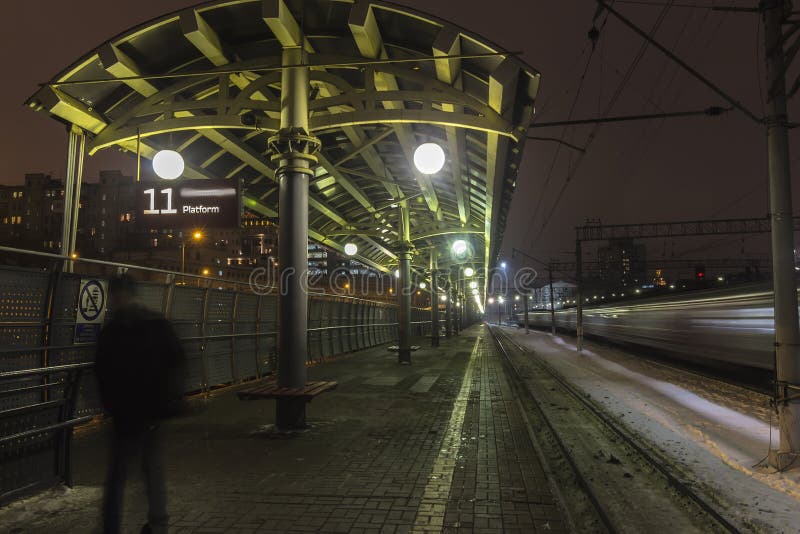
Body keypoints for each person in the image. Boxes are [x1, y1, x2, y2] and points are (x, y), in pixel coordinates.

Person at [95, 274, 185, 534]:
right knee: (152, 472)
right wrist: (171, 397)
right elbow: (177, 359)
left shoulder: (112, 329)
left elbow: (101, 371)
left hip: (124, 415)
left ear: (116, 295)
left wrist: (109, 405)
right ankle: (158, 526)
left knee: (117, 477)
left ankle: (111, 527)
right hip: (153, 411)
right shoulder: (157, 323)